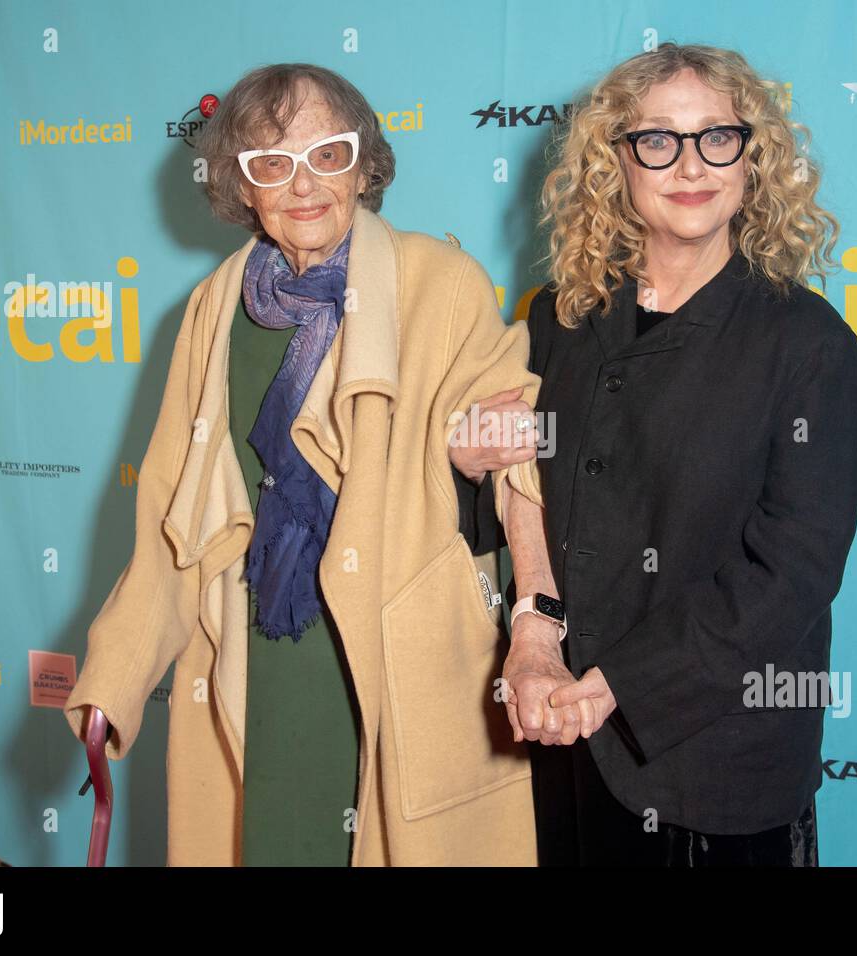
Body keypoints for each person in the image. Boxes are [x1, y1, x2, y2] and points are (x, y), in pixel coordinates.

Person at [64, 63, 541, 866]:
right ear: (241, 187)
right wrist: (115, 675)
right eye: (271, 163)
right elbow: (174, 518)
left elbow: (519, 460)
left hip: (401, 655)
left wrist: (535, 620)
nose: (304, 183)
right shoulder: (214, 311)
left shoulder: (441, 285)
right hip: (263, 656)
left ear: (364, 164)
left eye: (328, 153)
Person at [461, 43, 857, 866]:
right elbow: (518, 497)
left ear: (754, 158)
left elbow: (792, 573)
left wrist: (616, 688)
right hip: (566, 748)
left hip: (716, 766)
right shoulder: (559, 318)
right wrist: (474, 468)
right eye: (658, 140)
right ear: (616, 163)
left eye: (717, 137)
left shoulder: (805, 340)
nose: (691, 165)